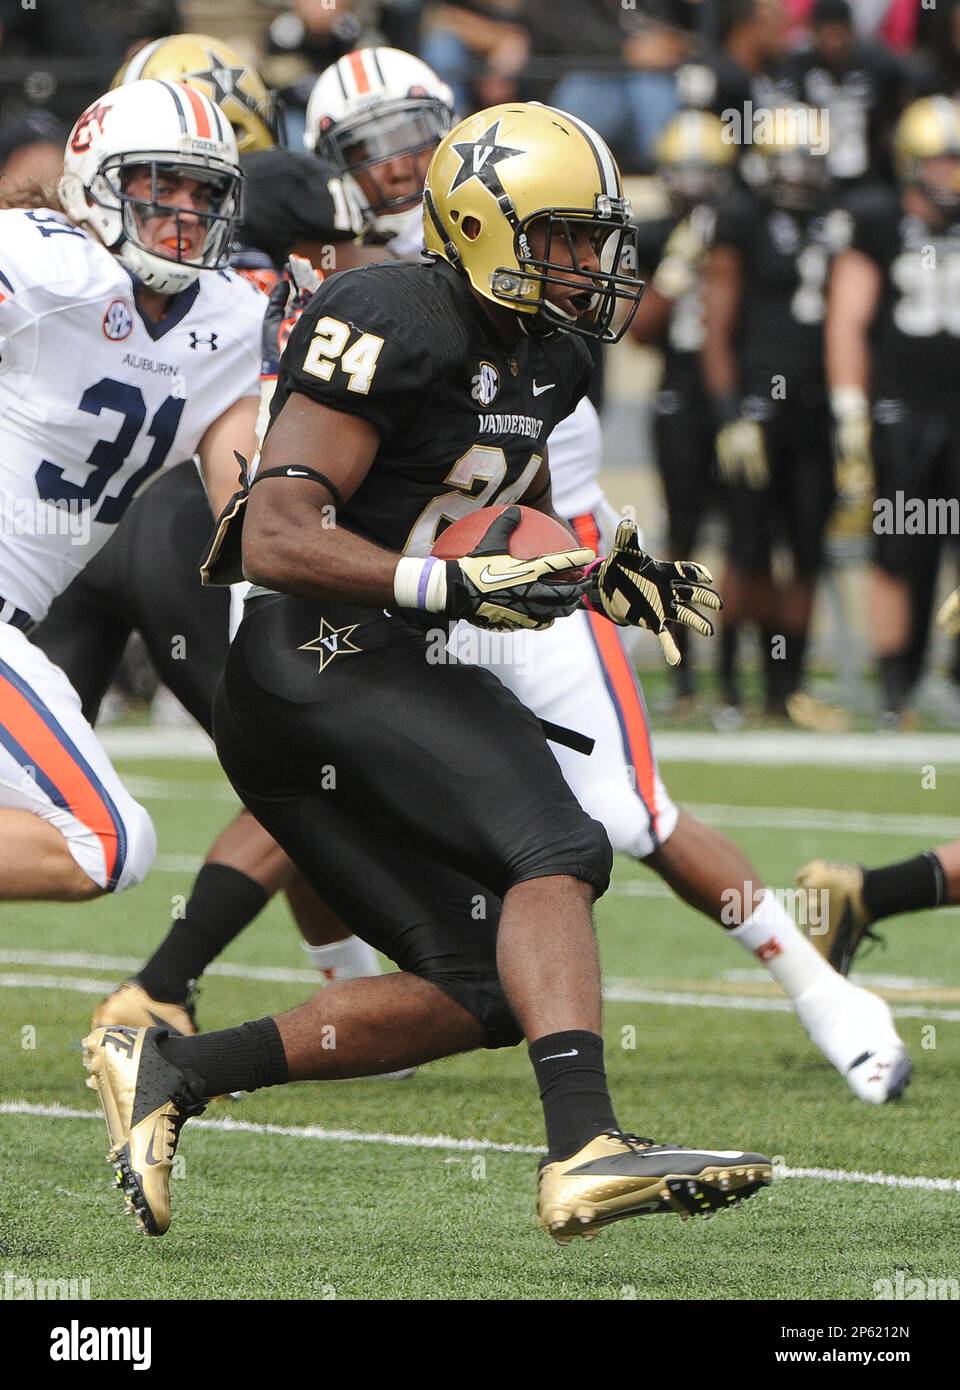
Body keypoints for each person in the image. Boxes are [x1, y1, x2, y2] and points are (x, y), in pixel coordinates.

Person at [91, 52, 911, 1109]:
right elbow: (295, 516)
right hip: (380, 578)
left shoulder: (552, 347)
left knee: (616, 813)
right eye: (377, 143)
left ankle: (809, 996)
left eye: (417, 131)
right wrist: (446, 577)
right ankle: (268, 1000)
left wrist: (595, 568)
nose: (403, 160)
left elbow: (491, 499)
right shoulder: (376, 294)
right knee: (395, 788)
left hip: (502, 568)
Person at [0, 78, 262, 903]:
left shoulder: (230, 319)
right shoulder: (40, 261)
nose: (185, 208)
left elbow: (248, 502)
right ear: (99, 180)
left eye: (204, 189)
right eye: (160, 183)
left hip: (14, 619)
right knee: (107, 842)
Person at [701, 106, 846, 728]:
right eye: (791, 159)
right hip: (758, 407)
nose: (801, 174)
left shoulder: (834, 220)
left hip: (817, 411)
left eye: (810, 160)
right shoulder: (741, 218)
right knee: (750, 549)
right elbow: (716, 327)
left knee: (807, 549)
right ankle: (733, 682)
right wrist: (730, 411)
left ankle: (786, 686)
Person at [826, 96, 960, 726]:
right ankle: (895, 685)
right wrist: (852, 408)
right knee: (899, 547)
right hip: (900, 413)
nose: (952, 176)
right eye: (941, 162)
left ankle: (952, 674)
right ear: (911, 161)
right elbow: (848, 319)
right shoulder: (877, 220)